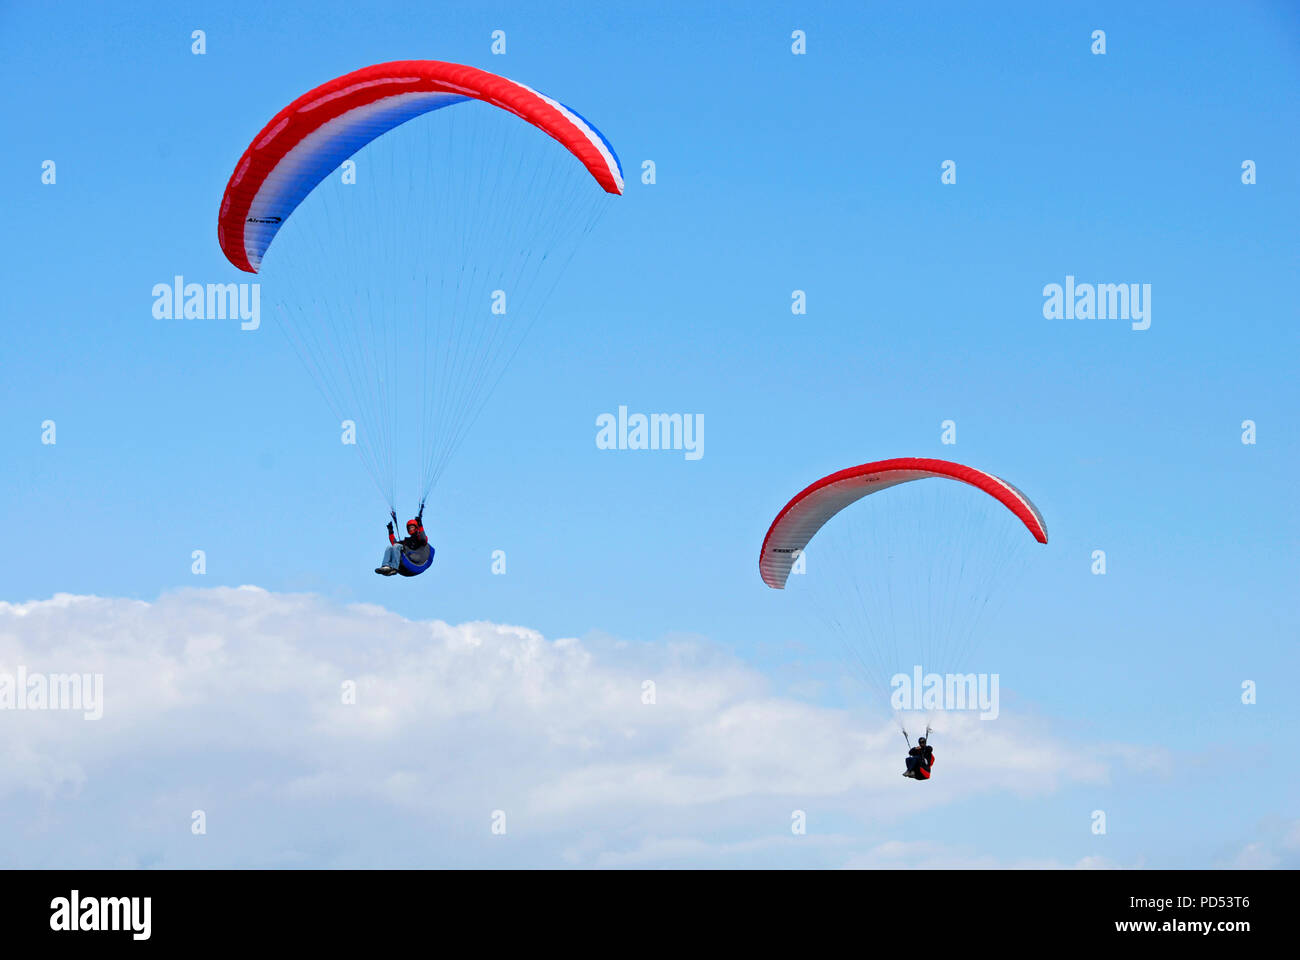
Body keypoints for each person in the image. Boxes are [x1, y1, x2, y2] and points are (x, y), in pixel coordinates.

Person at [376, 509, 431, 576]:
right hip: (405, 564)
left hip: (414, 561)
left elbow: (423, 539)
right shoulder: (407, 541)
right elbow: (394, 544)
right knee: (390, 547)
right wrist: (390, 531)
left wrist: (420, 525)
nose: (411, 529)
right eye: (409, 528)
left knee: (396, 546)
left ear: (416, 528)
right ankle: (386, 566)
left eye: (412, 527)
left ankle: (394, 568)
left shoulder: (420, 538)